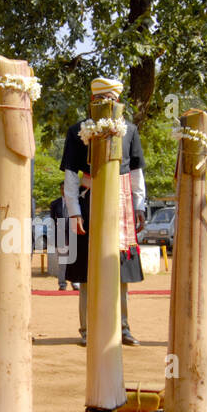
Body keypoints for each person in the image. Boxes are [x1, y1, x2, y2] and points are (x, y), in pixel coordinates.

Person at [59, 77, 146, 346]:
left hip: (122, 208)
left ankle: (123, 328)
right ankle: (87, 330)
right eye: (99, 100)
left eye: (110, 99)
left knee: (119, 268)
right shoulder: (77, 131)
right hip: (88, 204)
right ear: (91, 103)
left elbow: (135, 172)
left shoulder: (129, 130)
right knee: (86, 269)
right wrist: (74, 212)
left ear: (118, 102)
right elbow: (71, 177)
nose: (105, 104)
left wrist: (139, 205)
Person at [48, 196, 72, 289]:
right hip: (61, 236)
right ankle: (62, 284)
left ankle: (75, 283)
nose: (64, 190)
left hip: (74, 234)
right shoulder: (55, 203)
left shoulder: (75, 201)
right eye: (62, 188)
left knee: (75, 261)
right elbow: (52, 221)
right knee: (62, 261)